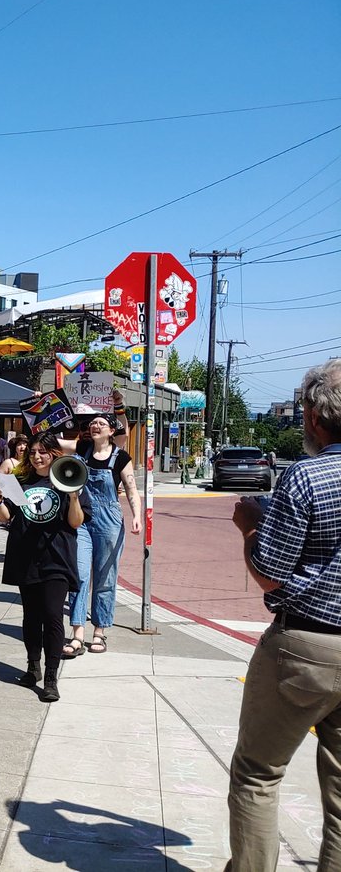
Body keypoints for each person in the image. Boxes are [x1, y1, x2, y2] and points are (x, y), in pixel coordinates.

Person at [225, 358, 341, 871]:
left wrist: (250, 525)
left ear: (315, 418)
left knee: (258, 773)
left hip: (306, 644)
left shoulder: (305, 476)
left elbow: (270, 572)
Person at [0, 431, 90, 703]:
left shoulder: (69, 477)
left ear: (54, 453)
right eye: (32, 452)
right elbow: (6, 517)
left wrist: (73, 497)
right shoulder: (20, 481)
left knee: (53, 615)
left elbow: (76, 523)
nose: (36, 457)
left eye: (42, 452)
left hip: (56, 557)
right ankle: (33, 666)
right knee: (31, 615)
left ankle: (51, 677)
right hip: (25, 555)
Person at [63, 410, 141, 659]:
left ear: (111, 430)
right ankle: (77, 634)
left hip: (109, 523)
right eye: (92, 423)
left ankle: (99, 631)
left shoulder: (122, 458)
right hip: (83, 519)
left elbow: (131, 488)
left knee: (105, 579)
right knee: (79, 575)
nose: (95, 426)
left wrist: (137, 515)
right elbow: (52, 441)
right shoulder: (81, 449)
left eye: (101, 423)